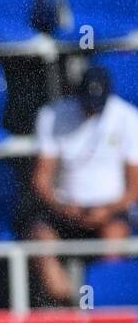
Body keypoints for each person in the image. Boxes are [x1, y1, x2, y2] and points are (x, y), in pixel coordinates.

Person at [30, 65, 138, 304]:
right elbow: (41, 179)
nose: (91, 111)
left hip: (112, 212)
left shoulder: (129, 118)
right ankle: (69, 305)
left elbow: (134, 188)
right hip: (66, 209)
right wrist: (62, 206)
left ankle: (106, 305)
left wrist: (107, 211)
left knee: (114, 238)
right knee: (40, 239)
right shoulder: (52, 116)